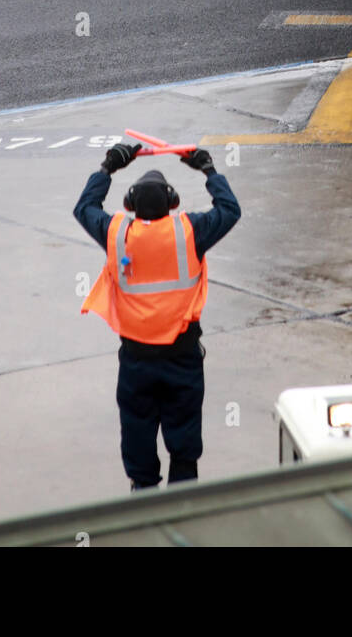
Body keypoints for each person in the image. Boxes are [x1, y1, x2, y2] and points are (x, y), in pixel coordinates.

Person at [73, 140, 240, 489]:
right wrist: (207, 169)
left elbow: (84, 207)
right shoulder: (189, 232)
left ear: (131, 204)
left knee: (137, 432)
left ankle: (144, 497)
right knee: (184, 440)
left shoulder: (117, 234)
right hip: (182, 356)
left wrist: (108, 167)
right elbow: (229, 209)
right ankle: (182, 505)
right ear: (172, 203)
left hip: (136, 359)